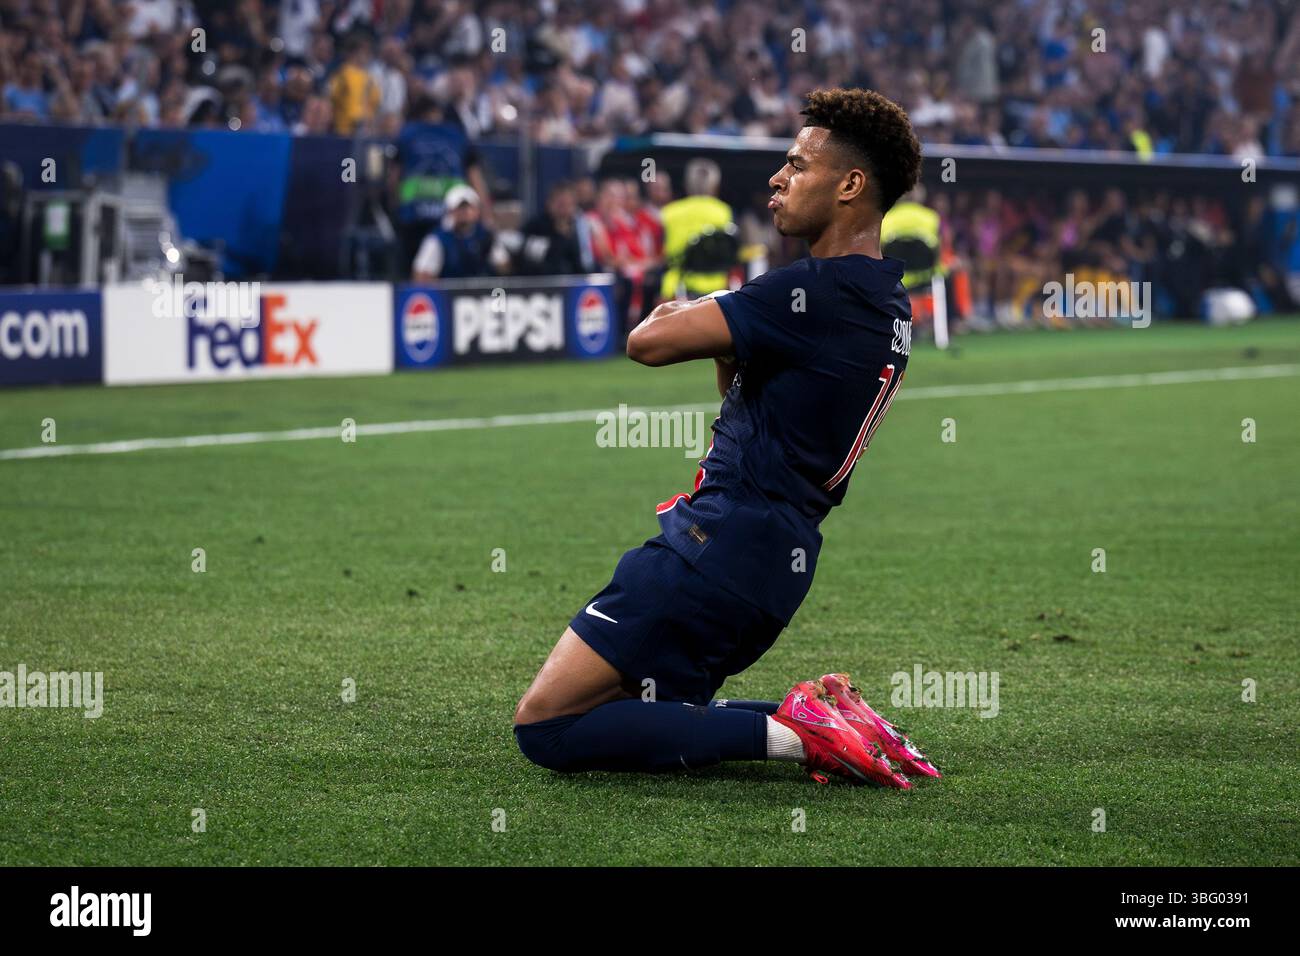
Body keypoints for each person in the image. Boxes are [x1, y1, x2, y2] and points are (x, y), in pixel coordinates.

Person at [513, 88, 940, 787]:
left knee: (547, 725)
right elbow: (755, 400)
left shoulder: (809, 292)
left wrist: (708, 308)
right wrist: (733, 332)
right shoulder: (886, 301)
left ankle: (799, 737)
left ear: (851, 185)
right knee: (639, 710)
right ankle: (824, 722)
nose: (777, 178)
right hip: (773, 566)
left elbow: (646, 341)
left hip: (712, 551)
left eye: (798, 165)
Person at [411, 184, 507, 281]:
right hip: (450, 293)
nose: (465, 212)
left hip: (484, 293)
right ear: (450, 211)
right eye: (460, 208)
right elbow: (421, 276)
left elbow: (504, 269)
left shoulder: (486, 235)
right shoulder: (438, 238)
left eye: (469, 207)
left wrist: (488, 250)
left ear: (477, 211)